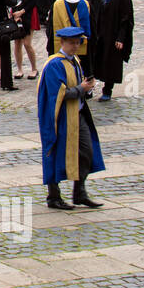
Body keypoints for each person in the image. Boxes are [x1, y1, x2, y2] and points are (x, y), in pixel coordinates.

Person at [37, 26, 106, 210]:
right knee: (55, 152)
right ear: (62, 43)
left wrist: (86, 88)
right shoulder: (54, 64)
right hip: (60, 118)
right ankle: (53, 196)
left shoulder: (74, 60)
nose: (75, 47)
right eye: (72, 43)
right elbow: (58, 94)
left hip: (78, 114)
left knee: (86, 151)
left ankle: (79, 192)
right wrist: (81, 89)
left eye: (78, 43)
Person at [87, 0, 133, 102]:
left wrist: (121, 38)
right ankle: (89, 88)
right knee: (93, 61)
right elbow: (90, 13)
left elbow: (126, 20)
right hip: (97, 34)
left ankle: (107, 90)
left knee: (111, 62)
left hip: (113, 36)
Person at [51, 0, 92, 76]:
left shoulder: (57, 5)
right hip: (81, 46)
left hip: (63, 46)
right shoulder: (85, 4)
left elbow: (50, 28)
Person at [10, 0, 41, 80]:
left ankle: (34, 68)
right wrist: (15, 12)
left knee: (27, 43)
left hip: (29, 13)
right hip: (18, 13)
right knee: (17, 43)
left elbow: (35, 1)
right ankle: (19, 69)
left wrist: (23, 11)